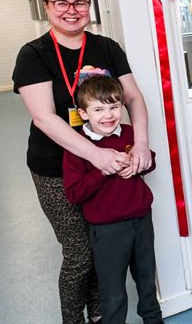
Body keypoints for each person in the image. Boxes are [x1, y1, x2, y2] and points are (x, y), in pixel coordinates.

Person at [13, 0, 152, 324]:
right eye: (61, 2)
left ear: (89, 6)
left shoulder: (106, 47)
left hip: (107, 161)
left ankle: (100, 315)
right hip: (55, 168)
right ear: (47, 7)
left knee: (101, 248)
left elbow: (133, 97)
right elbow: (44, 117)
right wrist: (95, 155)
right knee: (79, 254)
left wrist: (141, 144)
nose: (71, 10)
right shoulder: (34, 54)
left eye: (80, 3)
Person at [63, 75, 163, 324]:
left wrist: (138, 165)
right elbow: (74, 194)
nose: (108, 115)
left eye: (114, 107)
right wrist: (102, 171)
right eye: (98, 109)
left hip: (141, 220)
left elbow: (150, 161)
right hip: (107, 230)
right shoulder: (77, 148)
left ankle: (153, 318)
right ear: (83, 113)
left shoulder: (130, 134)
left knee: (146, 278)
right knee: (113, 290)